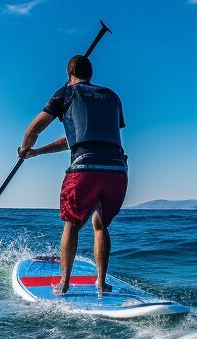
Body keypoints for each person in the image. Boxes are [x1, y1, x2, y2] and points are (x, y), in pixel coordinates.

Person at [17, 54, 127, 294]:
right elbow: (81, 137)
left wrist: (25, 147)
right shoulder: (112, 96)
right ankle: (102, 283)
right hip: (117, 171)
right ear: (91, 74)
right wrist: (38, 152)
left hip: (83, 171)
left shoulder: (65, 93)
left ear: (69, 75)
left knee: (72, 224)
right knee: (100, 225)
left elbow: (36, 127)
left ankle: (64, 283)